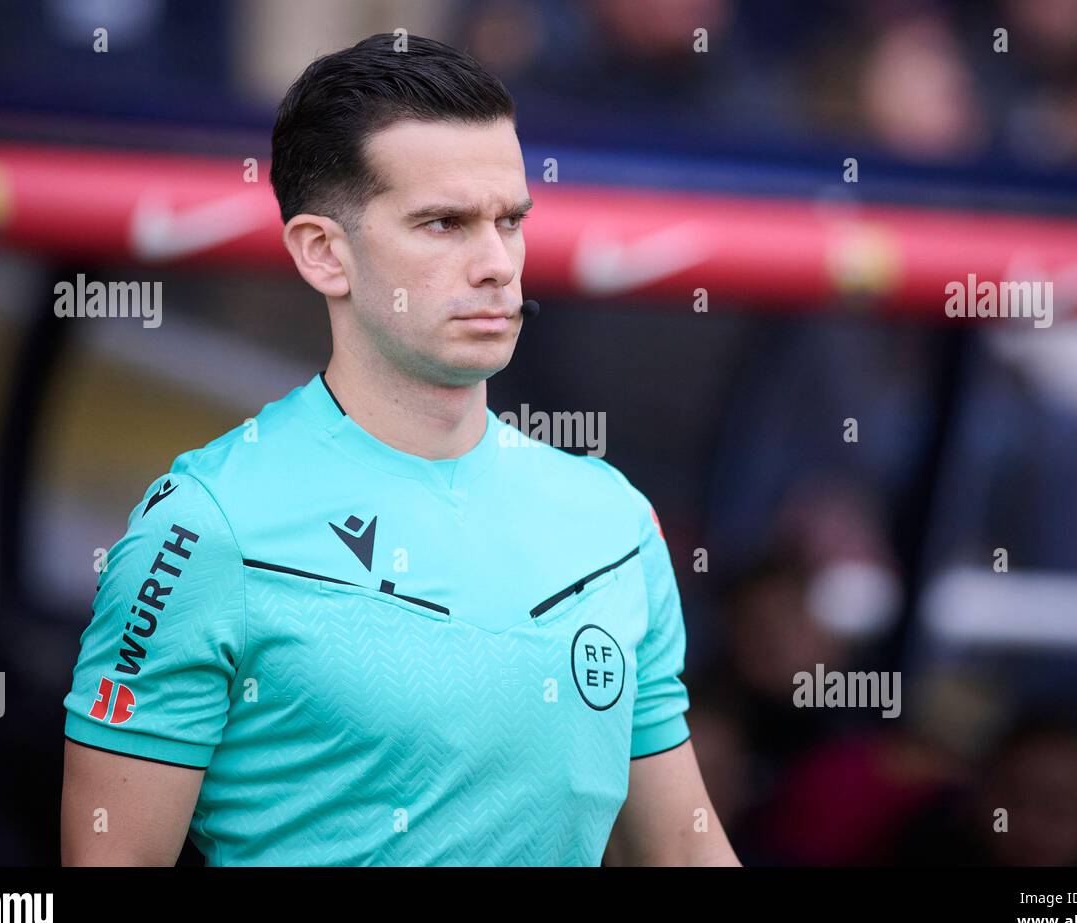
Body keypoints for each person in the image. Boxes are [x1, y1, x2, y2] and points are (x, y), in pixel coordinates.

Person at [59, 33, 738, 866]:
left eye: (511, 221)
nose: (497, 264)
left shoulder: (614, 524)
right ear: (323, 253)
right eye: (444, 223)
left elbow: (685, 851)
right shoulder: (203, 527)